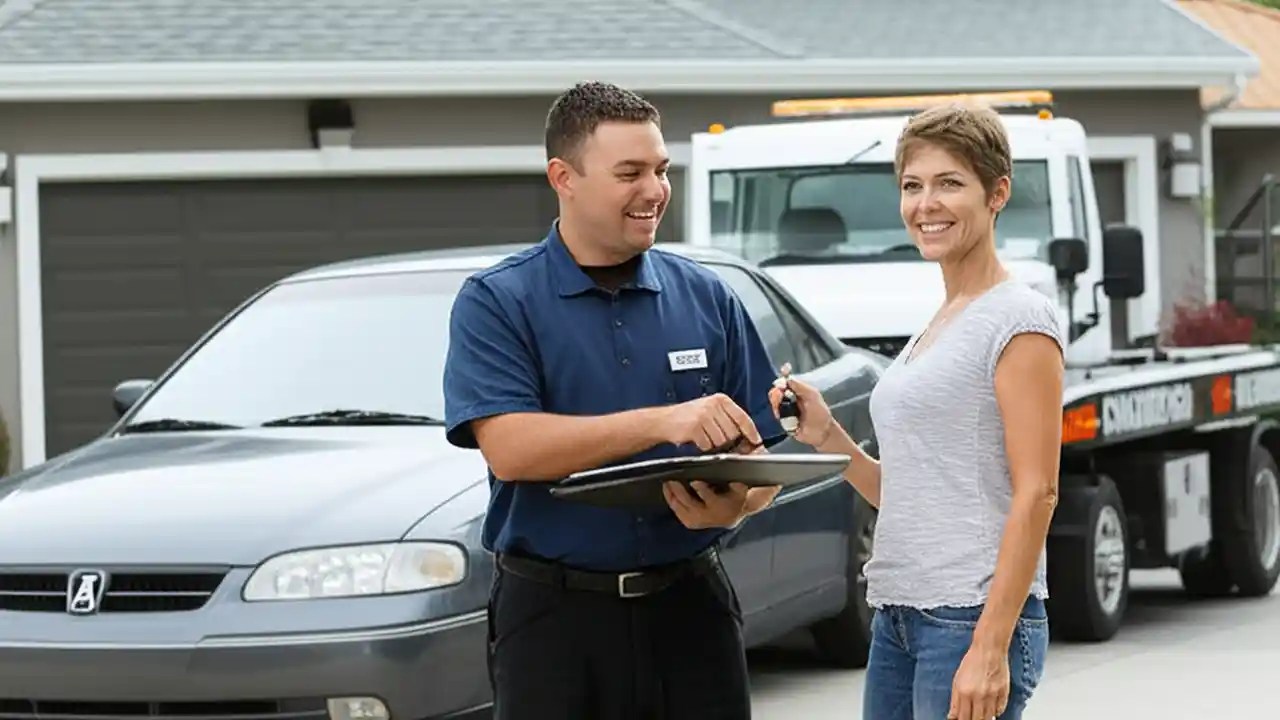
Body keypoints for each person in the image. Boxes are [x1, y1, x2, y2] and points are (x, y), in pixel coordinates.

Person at [443, 81, 786, 720]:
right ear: (563, 177)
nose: (655, 189)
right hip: (554, 622)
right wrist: (665, 420)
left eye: (661, 170)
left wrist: (734, 505)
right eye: (630, 172)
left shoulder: (708, 297)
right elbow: (512, 450)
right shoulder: (497, 302)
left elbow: (760, 459)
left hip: (692, 611)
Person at [770, 101, 1064, 720]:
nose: (925, 204)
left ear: (997, 193)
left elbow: (1037, 491)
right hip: (901, 615)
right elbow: (910, 494)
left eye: (949, 183)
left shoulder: (1019, 319)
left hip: (967, 618)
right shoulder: (938, 323)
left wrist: (989, 647)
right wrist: (827, 436)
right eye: (912, 185)